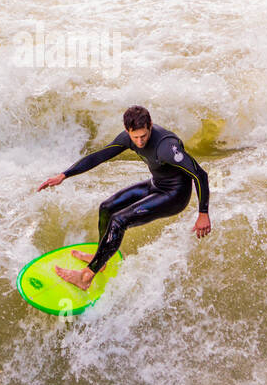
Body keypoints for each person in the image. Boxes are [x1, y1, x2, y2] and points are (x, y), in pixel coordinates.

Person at [36, 105, 211, 290]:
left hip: (174, 195)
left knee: (119, 221)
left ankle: (86, 276)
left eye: (143, 136)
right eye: (135, 137)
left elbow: (200, 174)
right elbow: (99, 156)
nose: (140, 141)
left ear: (150, 125)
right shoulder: (128, 138)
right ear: (127, 130)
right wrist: (64, 175)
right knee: (106, 208)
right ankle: (100, 260)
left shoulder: (167, 147)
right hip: (157, 184)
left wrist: (203, 213)